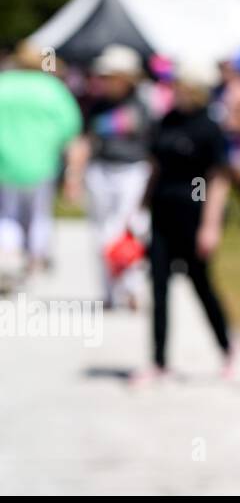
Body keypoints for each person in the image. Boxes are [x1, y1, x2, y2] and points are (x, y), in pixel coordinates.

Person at [132, 59, 235, 387]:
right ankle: (159, 361)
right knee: (158, 287)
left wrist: (211, 225)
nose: (178, 91)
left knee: (201, 285)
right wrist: (139, 206)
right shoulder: (166, 121)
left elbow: (217, 178)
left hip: (193, 214)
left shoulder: (208, 127)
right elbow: (155, 167)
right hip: (162, 213)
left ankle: (226, 348)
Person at [66, 44, 154, 310]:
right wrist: (74, 176)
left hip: (132, 171)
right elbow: (82, 141)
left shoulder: (141, 105)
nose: (104, 81)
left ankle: (132, 287)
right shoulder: (95, 105)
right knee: (101, 233)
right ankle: (109, 292)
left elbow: (151, 145)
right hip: (100, 170)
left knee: (127, 230)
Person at [0, 43, 83, 288]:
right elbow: (72, 132)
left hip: (5, 164)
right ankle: (35, 259)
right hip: (42, 165)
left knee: (7, 215)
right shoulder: (53, 90)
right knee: (39, 215)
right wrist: (73, 176)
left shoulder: (4, 84)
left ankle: (8, 255)